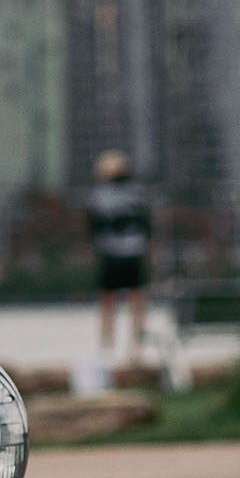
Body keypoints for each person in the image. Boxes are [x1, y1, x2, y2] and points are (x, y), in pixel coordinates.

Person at [87, 151, 152, 360]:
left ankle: (108, 347)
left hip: (112, 255)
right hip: (132, 253)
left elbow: (94, 227)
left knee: (110, 302)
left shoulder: (99, 197)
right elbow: (146, 226)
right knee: (135, 301)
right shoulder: (137, 195)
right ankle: (135, 347)